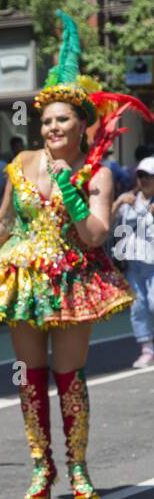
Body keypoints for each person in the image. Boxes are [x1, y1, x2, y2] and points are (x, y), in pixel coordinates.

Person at [0, 10, 152, 499]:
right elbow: (5, 219)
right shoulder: (22, 163)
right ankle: (41, 468)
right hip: (24, 277)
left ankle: (78, 467)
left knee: (70, 376)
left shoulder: (99, 172)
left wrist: (72, 195)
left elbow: (94, 235)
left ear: (81, 124)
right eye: (44, 120)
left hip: (74, 278)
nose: (50, 127)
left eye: (61, 119)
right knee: (30, 376)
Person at [111, 155, 154, 368]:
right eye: (141, 175)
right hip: (134, 263)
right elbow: (107, 223)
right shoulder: (128, 201)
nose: (144, 180)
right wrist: (118, 201)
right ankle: (147, 349)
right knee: (138, 308)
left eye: (149, 176)